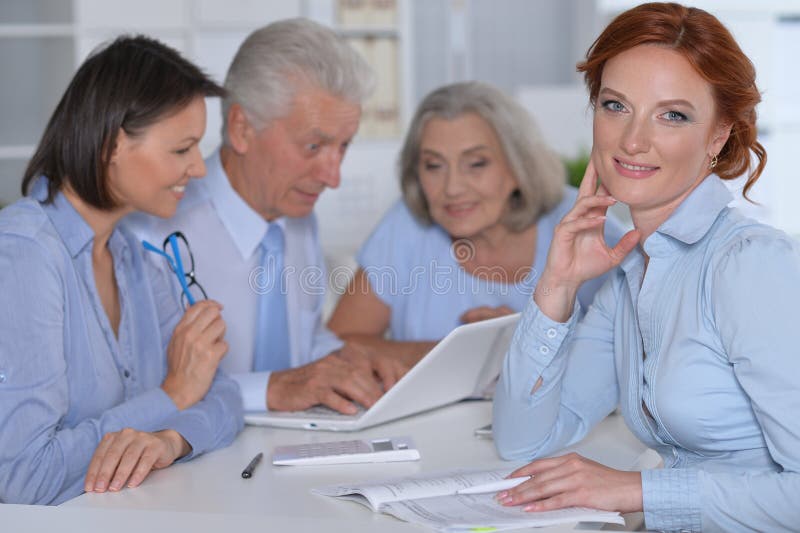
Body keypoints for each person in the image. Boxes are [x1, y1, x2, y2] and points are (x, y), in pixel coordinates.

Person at [492, 3, 799, 531]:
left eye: (672, 115)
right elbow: (524, 439)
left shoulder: (750, 266)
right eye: (615, 106)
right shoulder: (631, 271)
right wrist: (558, 284)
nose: (632, 140)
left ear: (718, 135)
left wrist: (636, 490)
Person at [0, 36, 243, 505]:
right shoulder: (25, 254)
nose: (198, 168)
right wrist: (171, 396)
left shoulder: (131, 254)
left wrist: (168, 441)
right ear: (113, 144)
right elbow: (24, 476)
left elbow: (225, 396)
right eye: (182, 150)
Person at [128, 18, 405, 416]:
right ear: (242, 128)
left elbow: (302, 342)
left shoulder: (298, 217)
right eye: (314, 146)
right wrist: (271, 390)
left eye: (343, 146)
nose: (333, 177)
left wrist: (349, 358)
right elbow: (140, 395)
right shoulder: (150, 232)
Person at [328, 81, 625, 367]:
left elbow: (635, 361)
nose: (452, 188)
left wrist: (524, 343)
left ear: (517, 166)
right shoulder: (406, 224)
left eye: (477, 164)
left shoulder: (584, 224)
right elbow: (336, 342)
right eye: (433, 166)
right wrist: (464, 354)